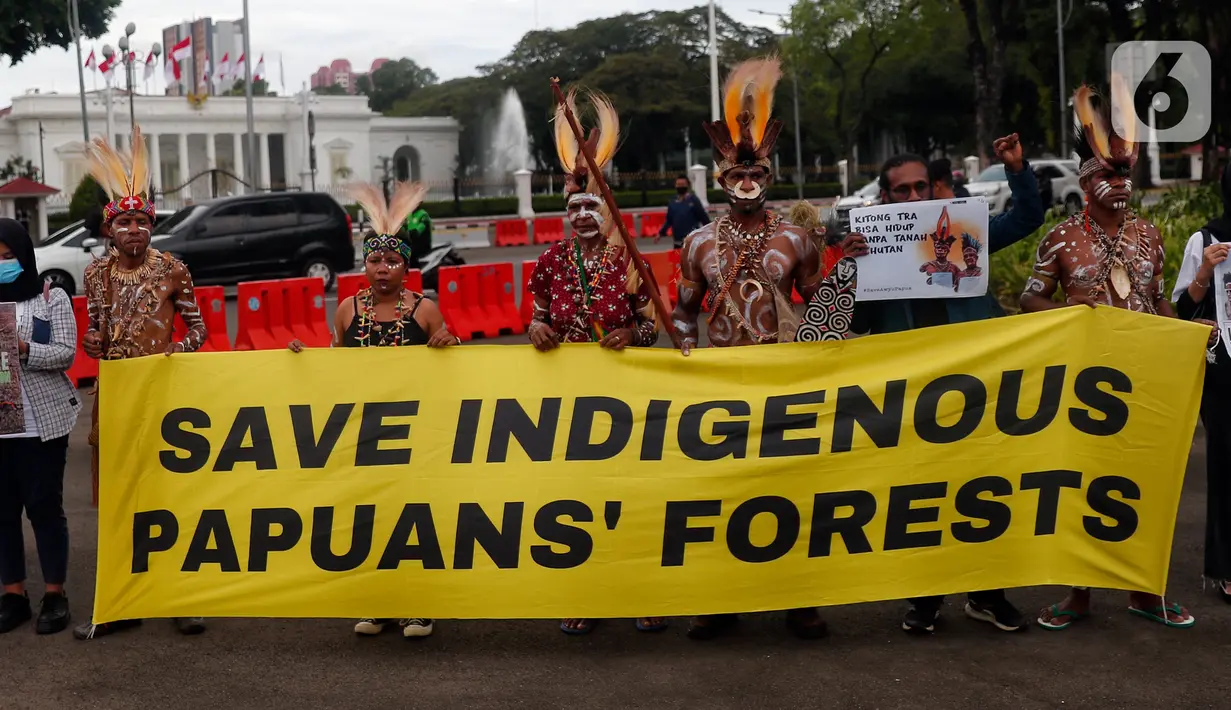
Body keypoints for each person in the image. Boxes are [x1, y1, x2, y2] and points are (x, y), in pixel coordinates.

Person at [672, 57, 866, 641]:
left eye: (754, 172)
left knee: (792, 489)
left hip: (786, 383)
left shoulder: (798, 239)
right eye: (736, 174)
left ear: (769, 176)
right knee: (720, 494)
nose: (746, 181)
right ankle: (719, 602)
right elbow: (682, 314)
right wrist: (683, 353)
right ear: (721, 179)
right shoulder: (697, 243)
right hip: (721, 387)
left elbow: (818, 307)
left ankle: (799, 599)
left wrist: (847, 266)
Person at [851, 134, 1044, 636]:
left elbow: (1027, 218)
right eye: (902, 191)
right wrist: (852, 268)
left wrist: (1017, 168)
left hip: (975, 389)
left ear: (936, 187)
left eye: (921, 187)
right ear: (885, 197)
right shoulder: (872, 247)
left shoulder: (964, 232)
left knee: (982, 491)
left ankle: (988, 595)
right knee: (919, 497)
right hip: (912, 395)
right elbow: (859, 323)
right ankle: (925, 599)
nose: (914, 197)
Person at [1020, 83, 1193, 630]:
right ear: (1084, 182)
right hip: (1087, 382)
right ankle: (1079, 593)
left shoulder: (1151, 235)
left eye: (1124, 177)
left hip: (1145, 377)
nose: (1119, 185)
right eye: (1107, 177)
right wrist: (1068, 312)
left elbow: (1158, 299)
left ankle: (1145, 591)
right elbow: (1029, 299)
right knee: (1084, 483)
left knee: (1147, 481)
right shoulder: (1062, 238)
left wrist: (1183, 334)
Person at [291, 181, 458, 638]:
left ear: (406, 266)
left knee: (415, 517)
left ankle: (420, 604)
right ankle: (380, 600)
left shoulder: (425, 310)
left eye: (392, 261)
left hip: (416, 434)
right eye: (374, 260)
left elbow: (454, 370)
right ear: (364, 264)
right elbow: (335, 366)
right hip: (364, 433)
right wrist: (301, 360)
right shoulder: (347, 309)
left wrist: (451, 342)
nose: (382, 269)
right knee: (371, 516)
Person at [527, 90, 662, 634]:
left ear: (607, 212)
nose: (582, 216)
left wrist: (633, 332)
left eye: (591, 208)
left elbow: (653, 326)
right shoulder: (549, 261)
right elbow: (537, 317)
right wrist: (537, 330)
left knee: (630, 494)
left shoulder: (629, 260)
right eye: (574, 209)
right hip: (569, 401)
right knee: (576, 496)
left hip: (624, 400)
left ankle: (641, 593)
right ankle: (583, 593)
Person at [73, 126, 210, 641]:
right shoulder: (95, 275)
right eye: (124, 222)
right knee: (119, 500)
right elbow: (97, 331)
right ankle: (120, 602)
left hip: (164, 399)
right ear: (109, 229)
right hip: (115, 400)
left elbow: (199, 329)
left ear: (152, 225)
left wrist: (179, 350)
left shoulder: (174, 270)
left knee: (170, 495)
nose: (134, 229)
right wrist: (92, 343)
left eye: (142, 221)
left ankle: (181, 598)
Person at [0, 219, 80, 635]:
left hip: (42, 425)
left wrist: (24, 348)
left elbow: (66, 353)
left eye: (8, 256)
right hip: (1, 429)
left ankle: (54, 594)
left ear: (24, 256)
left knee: (45, 508)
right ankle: (13, 595)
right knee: (3, 513)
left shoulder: (51, 298)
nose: (2, 264)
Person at [1173, 164, 1230, 599]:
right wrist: (1204, 275)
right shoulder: (1207, 240)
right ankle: (1227, 566)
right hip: (1224, 369)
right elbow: (1181, 311)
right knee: (1227, 467)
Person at [658, 174, 711, 248]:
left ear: (688, 185)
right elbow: (669, 220)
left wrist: (712, 232)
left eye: (683, 184)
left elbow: (703, 218)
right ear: (675, 185)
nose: (680, 186)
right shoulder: (672, 202)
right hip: (677, 242)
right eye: (678, 184)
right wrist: (661, 233)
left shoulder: (694, 200)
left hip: (692, 242)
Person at [406, 204, 432, 270]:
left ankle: (415, 273)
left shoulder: (423, 215)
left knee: (409, 254)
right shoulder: (408, 215)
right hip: (411, 243)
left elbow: (419, 230)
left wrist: (411, 233)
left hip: (422, 245)